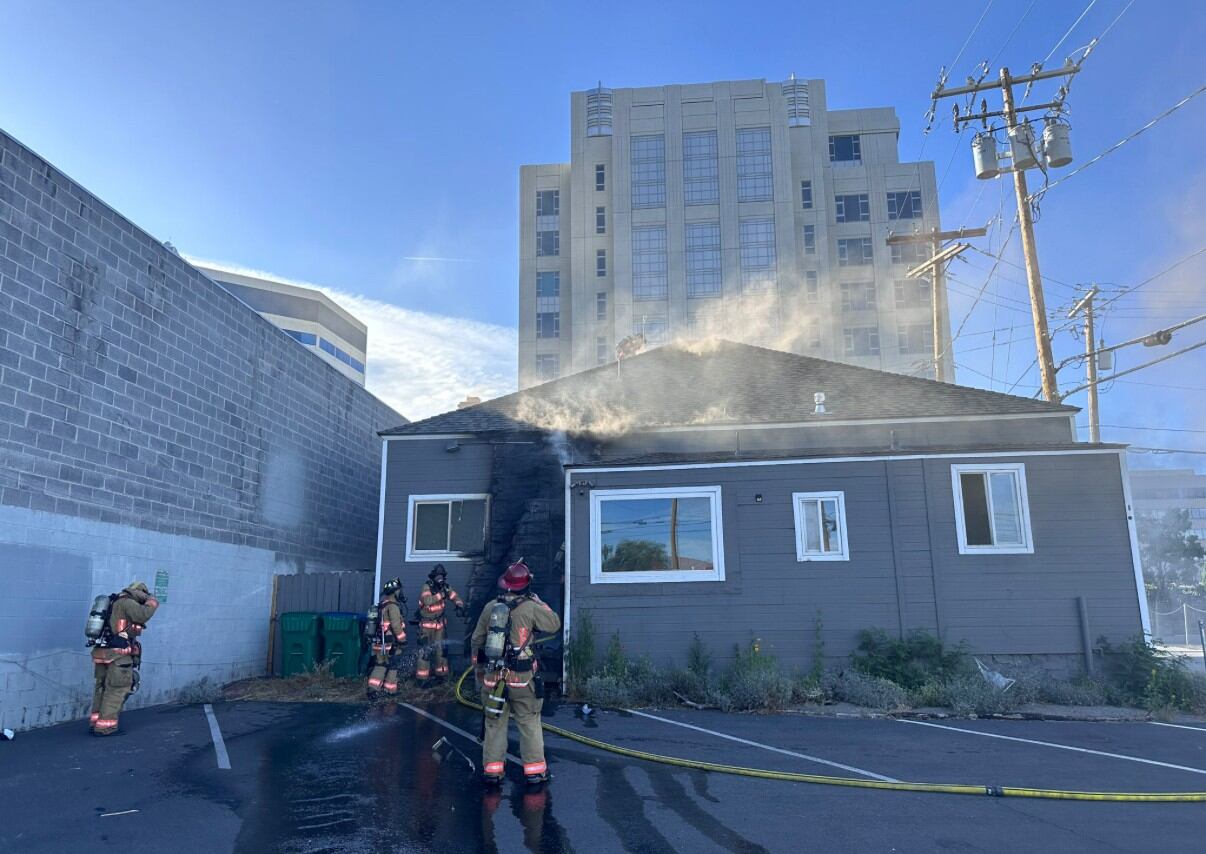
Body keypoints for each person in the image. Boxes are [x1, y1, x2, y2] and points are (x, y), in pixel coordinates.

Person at [471, 559, 561, 786]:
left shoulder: (491, 607)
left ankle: (492, 771)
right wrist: (541, 603)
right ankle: (535, 772)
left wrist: (479, 672)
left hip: (493, 678)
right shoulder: (531, 607)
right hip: (522, 680)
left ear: (506, 584)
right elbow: (554, 624)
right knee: (529, 722)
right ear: (526, 585)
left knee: (494, 723)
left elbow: (477, 641)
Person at [89, 581, 159, 736]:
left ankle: (96, 722)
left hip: (102, 653)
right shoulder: (127, 603)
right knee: (116, 690)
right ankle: (105, 727)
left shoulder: (112, 602)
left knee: (101, 688)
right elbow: (143, 614)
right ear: (140, 594)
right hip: (118, 656)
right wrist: (153, 601)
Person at [415, 564, 465, 683]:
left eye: (441, 576)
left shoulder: (445, 587)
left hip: (440, 626)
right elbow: (427, 601)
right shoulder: (426, 587)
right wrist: (441, 595)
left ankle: (441, 675)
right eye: (438, 576)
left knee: (441, 651)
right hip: (426, 626)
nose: (440, 578)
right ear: (433, 577)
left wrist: (459, 604)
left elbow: (454, 596)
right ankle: (422, 679)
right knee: (425, 652)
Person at [367, 577, 407, 698]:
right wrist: (402, 640)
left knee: (380, 664)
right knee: (393, 665)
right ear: (395, 591)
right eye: (398, 590)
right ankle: (390, 691)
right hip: (390, 642)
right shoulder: (393, 606)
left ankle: (373, 690)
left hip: (380, 642)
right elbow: (396, 626)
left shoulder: (382, 604)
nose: (400, 592)